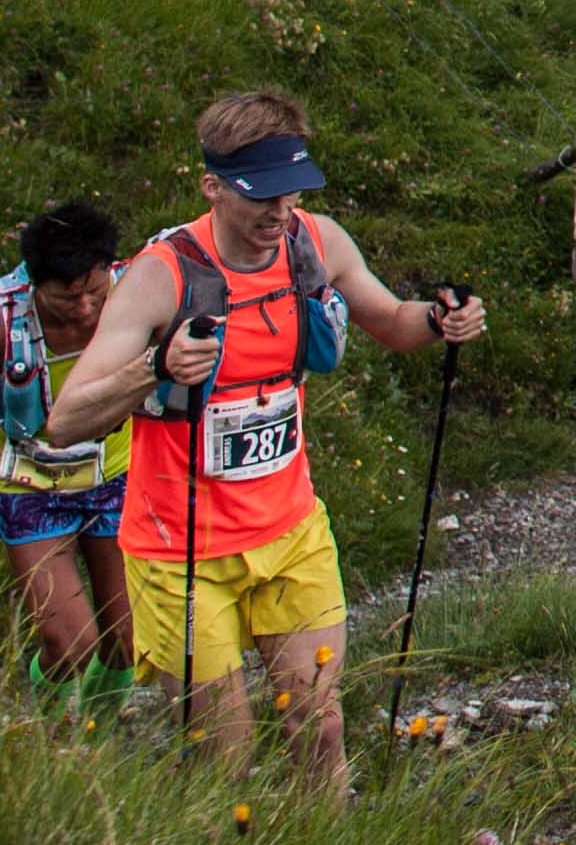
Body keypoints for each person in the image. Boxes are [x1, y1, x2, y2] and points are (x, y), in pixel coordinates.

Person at [37, 89, 486, 797]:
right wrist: (156, 367)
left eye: (292, 192)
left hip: (290, 532)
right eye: (261, 195)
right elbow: (66, 421)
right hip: (179, 551)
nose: (279, 213)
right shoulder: (160, 276)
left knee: (322, 728)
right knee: (226, 754)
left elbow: (391, 321)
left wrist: (438, 320)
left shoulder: (316, 243)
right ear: (212, 186)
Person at [0, 199, 138, 715]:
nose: (85, 309)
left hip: (116, 479)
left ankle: (97, 739)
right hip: (32, 490)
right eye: (67, 298)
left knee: (129, 641)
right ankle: (54, 726)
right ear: (36, 284)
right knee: (71, 645)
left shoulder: (135, 297)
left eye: (95, 292)